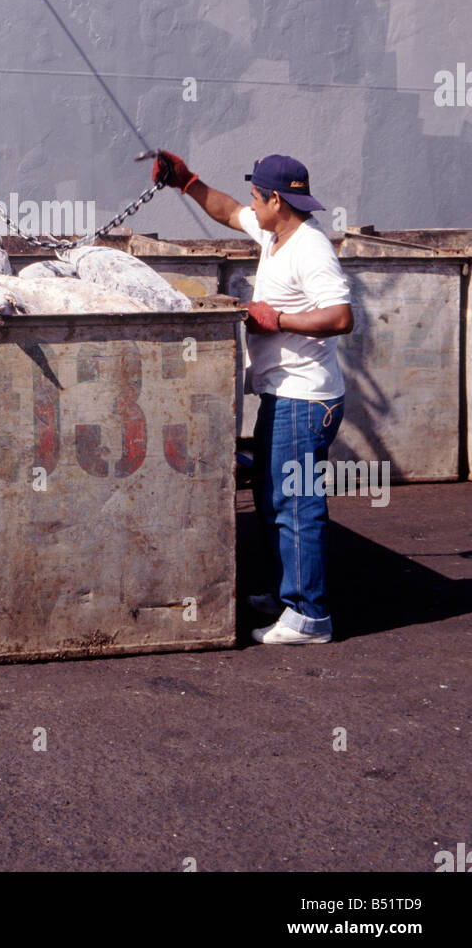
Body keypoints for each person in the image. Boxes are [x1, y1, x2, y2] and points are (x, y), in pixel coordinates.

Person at [152, 150, 354, 645]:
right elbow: (224, 209)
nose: (250, 204)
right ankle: (290, 593)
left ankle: (309, 615)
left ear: (277, 199)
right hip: (282, 394)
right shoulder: (273, 232)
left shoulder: (310, 248)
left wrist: (275, 319)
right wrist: (187, 181)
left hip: (305, 400)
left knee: (295, 502)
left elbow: (341, 317)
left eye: (256, 197)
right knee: (269, 496)